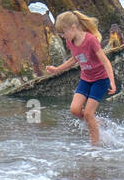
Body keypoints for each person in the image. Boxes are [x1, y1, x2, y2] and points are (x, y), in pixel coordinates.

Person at [44, 11, 116, 146]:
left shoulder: (90, 40)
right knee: (75, 110)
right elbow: (74, 59)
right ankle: (95, 122)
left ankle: (94, 148)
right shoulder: (70, 42)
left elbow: (106, 62)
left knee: (88, 114)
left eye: (63, 33)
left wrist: (112, 81)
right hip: (85, 79)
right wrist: (57, 69)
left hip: (100, 80)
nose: (62, 36)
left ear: (73, 27)